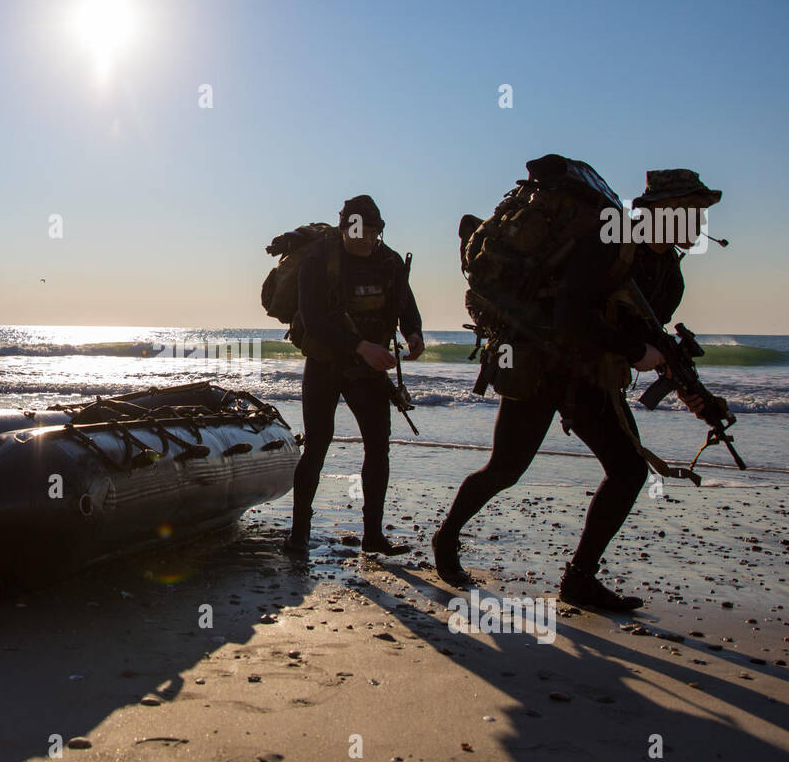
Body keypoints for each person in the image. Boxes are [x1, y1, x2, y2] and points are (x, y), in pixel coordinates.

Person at [431, 170, 720, 611]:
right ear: (661, 210)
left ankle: (579, 579)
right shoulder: (609, 241)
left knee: (628, 470)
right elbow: (570, 316)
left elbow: (649, 338)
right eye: (693, 210)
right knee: (506, 469)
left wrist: (688, 388)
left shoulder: (669, 276)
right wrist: (632, 348)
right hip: (541, 361)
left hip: (589, 374)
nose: (700, 222)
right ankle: (446, 538)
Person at [284, 195, 424, 556]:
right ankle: (298, 535)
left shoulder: (389, 262)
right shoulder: (318, 261)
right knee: (317, 444)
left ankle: (373, 536)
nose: (362, 242)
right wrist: (361, 346)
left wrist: (414, 333)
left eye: (370, 234)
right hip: (325, 363)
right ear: (343, 228)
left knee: (378, 447)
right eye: (355, 234)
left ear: (379, 231)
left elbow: (405, 303)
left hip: (368, 372)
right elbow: (313, 318)